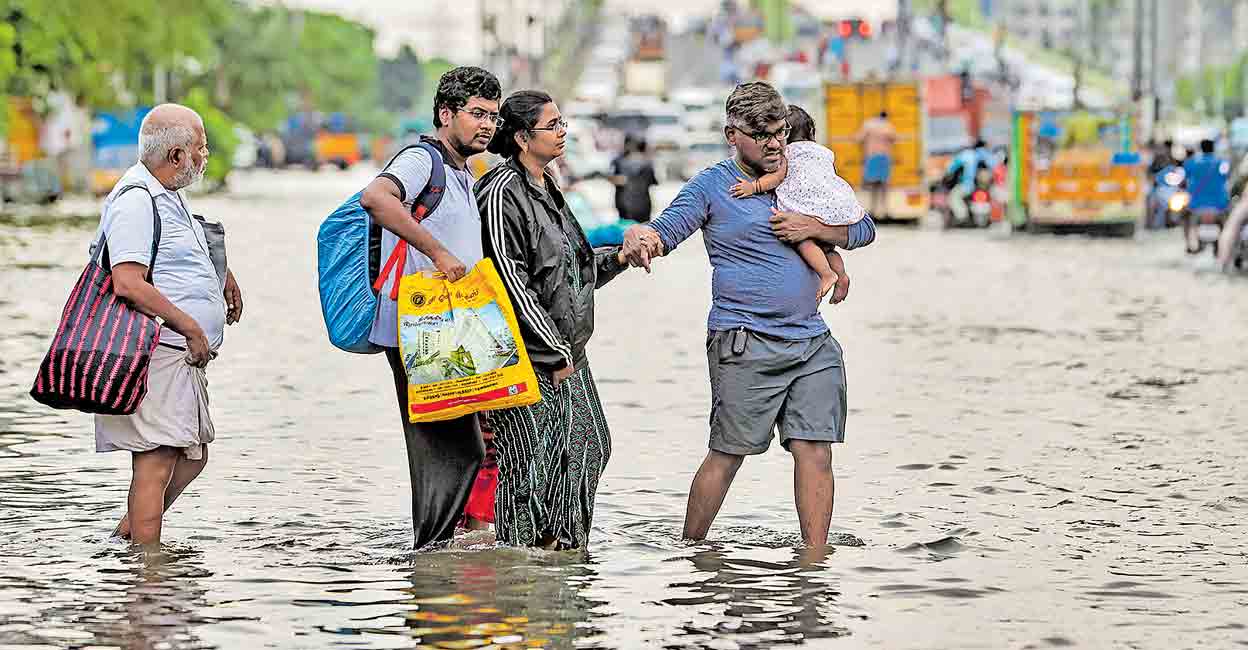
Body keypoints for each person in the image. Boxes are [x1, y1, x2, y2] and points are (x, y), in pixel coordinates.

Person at [621, 82, 877, 549]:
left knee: (815, 449)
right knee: (728, 452)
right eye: (762, 136)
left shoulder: (802, 170)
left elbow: (863, 228)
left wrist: (815, 227)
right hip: (744, 340)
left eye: (780, 133)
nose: (775, 144)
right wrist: (641, 237)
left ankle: (814, 567)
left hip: (812, 341)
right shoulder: (711, 186)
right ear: (732, 136)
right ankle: (691, 552)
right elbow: (666, 230)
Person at [475, 90, 635, 550]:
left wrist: (621, 256)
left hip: (566, 352)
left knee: (589, 448)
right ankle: (519, 564)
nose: (563, 132)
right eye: (554, 125)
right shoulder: (502, 192)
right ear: (523, 137)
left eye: (563, 123)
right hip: (525, 354)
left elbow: (574, 269)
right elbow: (508, 279)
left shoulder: (549, 187)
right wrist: (553, 348)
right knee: (528, 465)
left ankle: (563, 556)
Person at [358, 66, 502, 550]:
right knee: (451, 449)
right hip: (421, 327)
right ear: (446, 113)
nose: (486, 125)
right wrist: (438, 252)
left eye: (493, 116)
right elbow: (376, 197)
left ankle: (438, 561)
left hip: (451, 328)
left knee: (459, 447)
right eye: (476, 113)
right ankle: (430, 557)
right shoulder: (423, 159)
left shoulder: (463, 170)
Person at [95, 104, 243, 546]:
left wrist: (223, 275)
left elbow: (179, 249)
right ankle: (148, 574)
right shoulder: (136, 200)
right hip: (158, 350)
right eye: (200, 147)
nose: (206, 155)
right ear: (176, 155)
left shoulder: (168, 193)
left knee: (192, 456)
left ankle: (128, 542)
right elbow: (127, 282)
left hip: (180, 356)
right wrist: (191, 327)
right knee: (156, 461)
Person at [727, 104, 856, 303]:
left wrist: (753, 188)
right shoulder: (822, 152)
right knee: (829, 249)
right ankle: (842, 276)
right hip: (832, 210)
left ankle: (827, 274)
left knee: (803, 241)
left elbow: (777, 178)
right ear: (811, 132)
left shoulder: (788, 155)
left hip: (806, 210)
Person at [1182, 138, 1230, 253]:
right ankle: (1226, 245)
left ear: (1201, 149)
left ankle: (1189, 244)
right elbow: (1226, 177)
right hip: (1219, 204)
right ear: (1213, 148)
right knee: (1229, 222)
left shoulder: (1191, 162)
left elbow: (1184, 179)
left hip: (1196, 205)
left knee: (1184, 217)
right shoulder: (1221, 163)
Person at [608, 134, 659, 222]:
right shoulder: (647, 163)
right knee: (643, 231)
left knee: (627, 230)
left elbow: (611, 178)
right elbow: (654, 181)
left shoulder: (618, 161)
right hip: (644, 203)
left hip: (624, 202)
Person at [856, 110, 896, 219]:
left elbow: (859, 138)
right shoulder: (888, 126)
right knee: (883, 186)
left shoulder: (868, 125)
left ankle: (873, 210)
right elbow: (894, 138)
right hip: (884, 156)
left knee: (872, 185)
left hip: (872, 156)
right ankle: (885, 210)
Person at [943, 138, 991, 224]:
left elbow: (951, 168)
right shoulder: (981, 155)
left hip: (966, 185)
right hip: (980, 186)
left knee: (953, 197)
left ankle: (962, 217)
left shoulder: (964, 155)